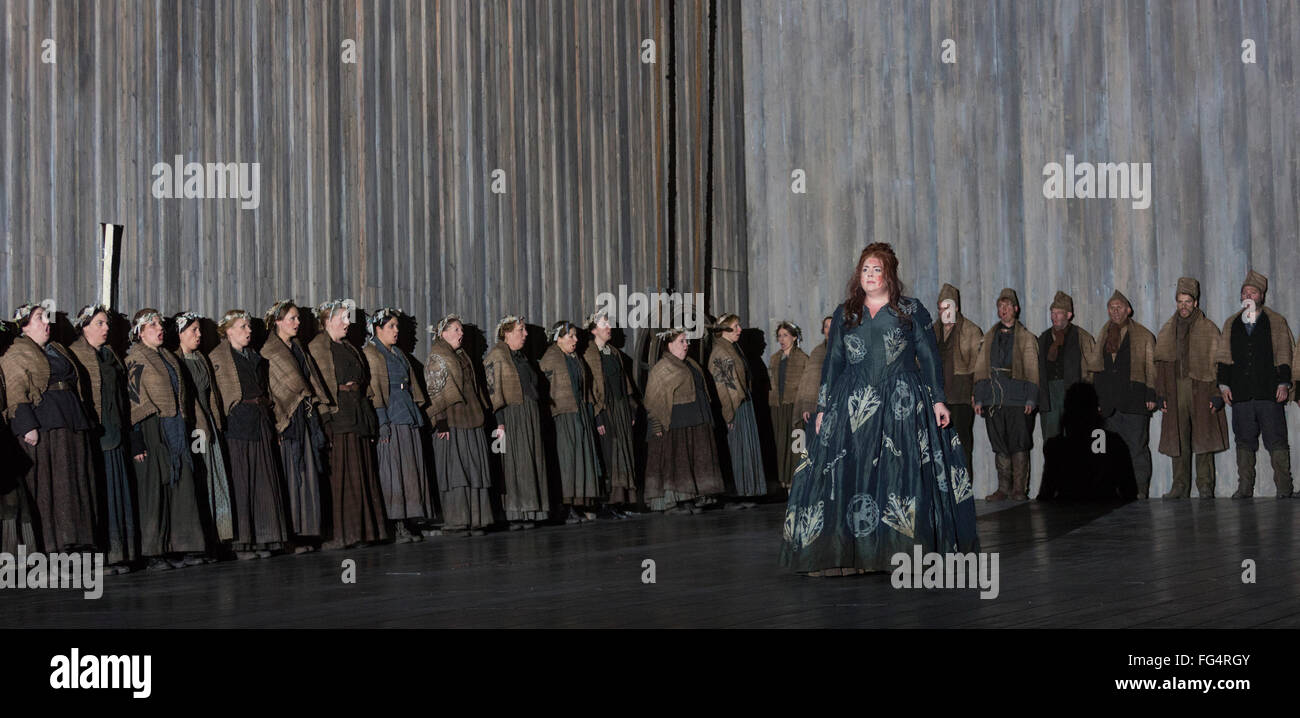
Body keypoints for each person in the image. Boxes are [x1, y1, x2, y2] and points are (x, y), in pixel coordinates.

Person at [780, 243, 978, 576]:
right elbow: (834, 362)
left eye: (877, 270)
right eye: (865, 270)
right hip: (852, 402)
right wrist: (824, 408)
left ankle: (899, 551)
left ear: (890, 274)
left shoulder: (911, 310)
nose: (870, 276)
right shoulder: (846, 313)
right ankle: (852, 553)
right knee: (852, 473)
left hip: (900, 402)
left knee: (898, 474)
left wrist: (938, 399)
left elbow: (929, 358)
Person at [2, 304, 98, 554]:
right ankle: (53, 545)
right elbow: (15, 390)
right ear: (24, 325)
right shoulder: (16, 351)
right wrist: (27, 426)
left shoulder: (57, 349)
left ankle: (77, 541)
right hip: (44, 426)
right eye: (39, 318)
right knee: (49, 486)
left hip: (70, 421)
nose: (47, 322)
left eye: (47, 317)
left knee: (73, 482)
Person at [125, 309, 209, 569]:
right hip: (152, 426)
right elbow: (134, 401)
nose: (159, 328)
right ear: (140, 332)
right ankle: (154, 552)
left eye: (160, 324)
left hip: (175, 425)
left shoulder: (169, 358)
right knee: (155, 488)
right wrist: (138, 439)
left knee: (182, 484)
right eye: (152, 325)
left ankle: (184, 546)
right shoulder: (135, 359)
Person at [209, 310, 290, 559]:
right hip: (237, 425)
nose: (248, 331)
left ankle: (265, 539)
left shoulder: (255, 356)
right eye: (242, 327)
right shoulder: (218, 358)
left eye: (248, 326)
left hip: (260, 421)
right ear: (229, 330)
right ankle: (242, 544)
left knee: (263, 482)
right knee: (242, 484)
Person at [309, 300, 390, 548]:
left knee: (363, 473)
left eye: (348, 317)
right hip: (339, 417)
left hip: (358, 413)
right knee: (343, 476)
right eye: (342, 318)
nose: (347, 323)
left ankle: (367, 531)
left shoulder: (349, 347)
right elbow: (317, 386)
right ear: (327, 321)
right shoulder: (318, 347)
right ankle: (345, 534)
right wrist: (326, 418)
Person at [68, 305, 140, 573]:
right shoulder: (76, 355)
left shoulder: (111, 355)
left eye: (107, 323)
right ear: (84, 326)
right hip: (95, 437)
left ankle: (120, 553)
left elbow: (124, 397)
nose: (106, 328)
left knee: (117, 496)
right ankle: (99, 559)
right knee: (98, 496)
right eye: (99, 323)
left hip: (116, 432)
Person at [1214, 271, 1294, 498]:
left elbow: (1284, 354)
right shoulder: (1232, 323)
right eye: (1245, 291)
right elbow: (1223, 356)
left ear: (1262, 295)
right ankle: (1245, 487)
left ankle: (1284, 487)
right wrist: (1224, 386)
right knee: (1244, 441)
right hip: (1241, 395)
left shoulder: (1276, 321)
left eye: (1253, 291)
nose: (1248, 294)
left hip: (1268, 393)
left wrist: (1283, 383)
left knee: (1276, 439)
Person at [1153, 278, 1229, 498]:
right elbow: (1160, 364)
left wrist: (1217, 394)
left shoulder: (1208, 329)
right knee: (1177, 438)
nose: (1183, 306)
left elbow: (1220, 363)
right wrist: (1160, 395)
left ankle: (1205, 486)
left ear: (1195, 302)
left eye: (1187, 301)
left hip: (1202, 387)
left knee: (1203, 437)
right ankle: (1179, 486)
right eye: (1180, 301)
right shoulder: (1168, 330)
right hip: (1175, 388)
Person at [262, 299, 327, 551]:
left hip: (305, 417)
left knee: (307, 473)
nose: (297, 323)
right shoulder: (269, 351)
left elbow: (311, 380)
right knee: (292, 475)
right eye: (292, 318)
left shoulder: (298, 347)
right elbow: (271, 390)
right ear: (277, 322)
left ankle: (308, 531)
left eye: (298, 318)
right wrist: (278, 422)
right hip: (287, 421)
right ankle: (291, 536)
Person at [363, 308, 433, 542]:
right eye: (391, 326)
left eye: (397, 326)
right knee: (392, 473)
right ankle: (396, 523)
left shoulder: (399, 353)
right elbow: (374, 392)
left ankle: (411, 519)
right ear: (377, 328)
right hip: (391, 417)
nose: (396, 331)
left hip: (407, 413)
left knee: (410, 471)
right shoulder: (372, 353)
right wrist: (382, 422)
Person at [425, 314, 497, 535]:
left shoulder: (462, 354)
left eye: (461, 330)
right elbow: (434, 390)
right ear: (443, 333)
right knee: (456, 470)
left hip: (471, 416)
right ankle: (458, 520)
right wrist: (441, 422)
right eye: (455, 330)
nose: (461, 333)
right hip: (452, 419)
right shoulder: (437, 355)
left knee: (474, 468)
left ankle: (477, 519)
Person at [643, 328, 725, 514]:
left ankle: (694, 498)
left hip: (696, 420)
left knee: (695, 460)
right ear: (669, 345)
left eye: (686, 341)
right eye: (682, 341)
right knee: (677, 462)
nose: (686, 344)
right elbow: (652, 400)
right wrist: (656, 425)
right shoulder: (662, 368)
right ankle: (675, 502)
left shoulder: (691, 364)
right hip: (675, 424)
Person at [1088, 290, 1158, 498]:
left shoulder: (1144, 336)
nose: (1115, 310)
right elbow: (1095, 371)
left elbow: (1152, 368)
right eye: (1112, 307)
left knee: (1137, 449)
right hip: (1107, 405)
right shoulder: (1102, 336)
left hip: (1135, 403)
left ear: (1129, 310)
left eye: (1119, 307)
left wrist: (1151, 395)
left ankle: (1140, 491)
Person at [173, 311, 234, 550]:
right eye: (193, 331)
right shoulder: (175, 360)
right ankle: (203, 539)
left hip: (208, 421)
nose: (198, 335)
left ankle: (219, 536)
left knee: (215, 474)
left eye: (199, 330)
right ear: (179, 334)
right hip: (193, 426)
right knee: (199, 475)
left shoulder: (201, 358)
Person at [973, 288, 1039, 501]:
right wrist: (979, 397)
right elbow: (981, 368)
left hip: (1018, 398)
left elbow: (1033, 370)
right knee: (999, 443)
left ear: (1016, 309)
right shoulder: (989, 337)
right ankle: (1003, 488)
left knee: (1019, 442)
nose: (1003, 310)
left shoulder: (1027, 338)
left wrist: (1031, 398)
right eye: (1000, 307)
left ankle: (1019, 488)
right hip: (994, 398)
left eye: (1007, 306)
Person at [484, 315, 550, 529]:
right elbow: (492, 392)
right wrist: (500, 423)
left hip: (528, 413)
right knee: (514, 464)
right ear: (507, 333)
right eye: (521, 330)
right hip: (510, 417)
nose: (525, 334)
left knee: (530, 461)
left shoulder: (521, 356)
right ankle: (514, 513)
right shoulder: (497, 356)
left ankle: (531, 511)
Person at [541, 320, 606, 523]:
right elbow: (546, 392)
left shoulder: (575, 356)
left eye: (576, 336)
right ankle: (566, 507)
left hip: (581, 412)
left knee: (582, 459)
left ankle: (583, 502)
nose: (576, 340)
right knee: (567, 461)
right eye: (571, 336)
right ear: (558, 339)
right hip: (564, 415)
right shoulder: (551, 358)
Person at [1036, 383, 1138, 501]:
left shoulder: (1055, 446)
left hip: (1066, 513)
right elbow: (1129, 491)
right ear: (1095, 408)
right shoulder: (1114, 443)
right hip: (1105, 509)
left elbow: (1046, 493)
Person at [583, 311, 641, 515]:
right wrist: (598, 415)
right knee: (610, 454)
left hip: (621, 408)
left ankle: (625, 501)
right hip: (605, 410)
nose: (609, 328)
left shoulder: (614, 352)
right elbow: (590, 388)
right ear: (593, 330)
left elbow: (624, 382)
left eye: (609, 324)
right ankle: (609, 503)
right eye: (604, 324)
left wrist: (631, 408)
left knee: (625, 451)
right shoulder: (589, 354)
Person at [709, 313, 768, 506]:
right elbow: (724, 388)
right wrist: (729, 415)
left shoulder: (733, 348)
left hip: (744, 403)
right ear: (724, 331)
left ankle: (748, 491)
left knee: (746, 448)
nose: (739, 330)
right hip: (735, 407)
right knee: (737, 449)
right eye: (735, 327)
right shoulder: (721, 353)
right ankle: (738, 494)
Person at [934, 284, 983, 477]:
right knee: (939, 445)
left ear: (956, 308)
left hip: (961, 395)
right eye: (940, 307)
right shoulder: (931, 330)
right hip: (938, 398)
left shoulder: (971, 330)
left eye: (947, 307)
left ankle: (963, 487)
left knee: (962, 443)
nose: (943, 311)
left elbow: (980, 365)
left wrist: (976, 392)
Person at [1037, 291, 1096, 441]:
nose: (1054, 316)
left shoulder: (1082, 337)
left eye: (1059, 313)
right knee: (1051, 441)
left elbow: (1093, 369)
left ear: (1069, 315)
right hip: (1049, 395)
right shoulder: (1043, 339)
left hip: (1073, 393)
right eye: (1052, 312)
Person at [767, 321, 809, 492]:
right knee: (782, 444)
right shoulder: (775, 358)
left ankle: (799, 481)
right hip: (778, 407)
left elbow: (808, 385)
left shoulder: (802, 358)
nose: (782, 339)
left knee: (797, 444)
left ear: (794, 337)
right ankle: (785, 482)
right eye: (779, 336)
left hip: (795, 407)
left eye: (785, 335)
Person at [795, 316, 833, 427]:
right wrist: (807, 406)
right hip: (817, 406)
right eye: (826, 327)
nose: (829, 330)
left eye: (832, 326)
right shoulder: (817, 352)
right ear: (823, 330)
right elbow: (809, 381)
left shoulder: (845, 349)